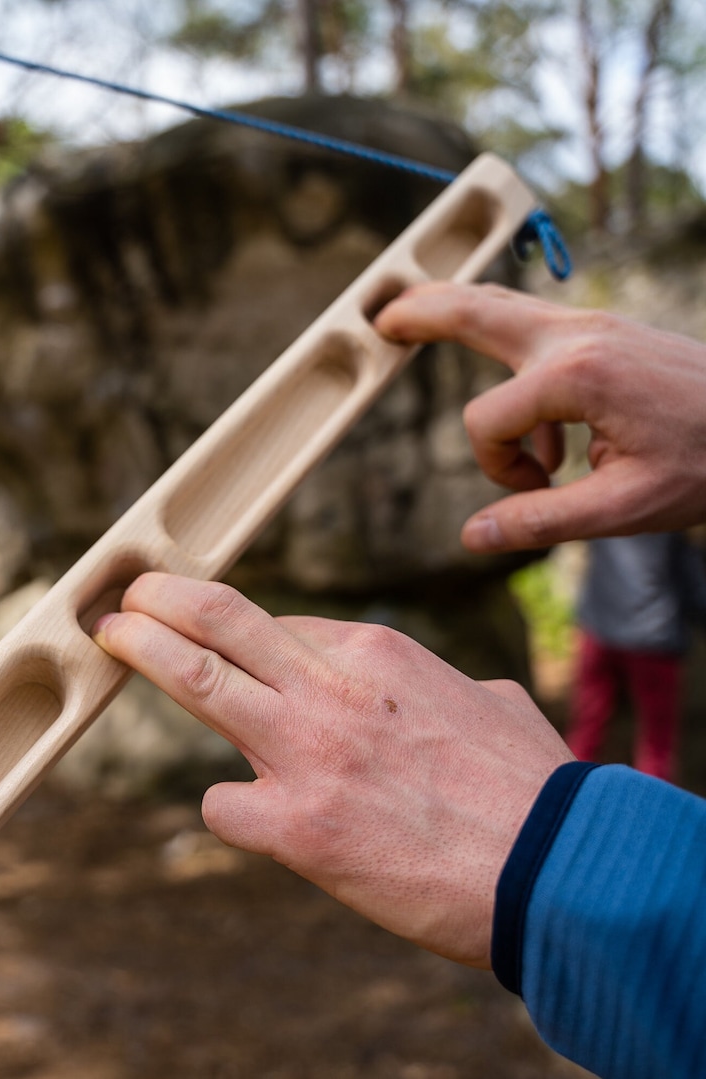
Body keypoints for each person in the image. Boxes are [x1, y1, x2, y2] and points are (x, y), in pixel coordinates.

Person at [91, 283, 706, 1079]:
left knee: (635, 726)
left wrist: (563, 851)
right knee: (613, 721)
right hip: (624, 632)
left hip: (636, 645)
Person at [567, 532, 706, 781]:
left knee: (588, 723)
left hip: (600, 629)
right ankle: (650, 799)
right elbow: (694, 585)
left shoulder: (604, 521)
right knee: (657, 741)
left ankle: (567, 786)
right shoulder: (671, 529)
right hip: (653, 641)